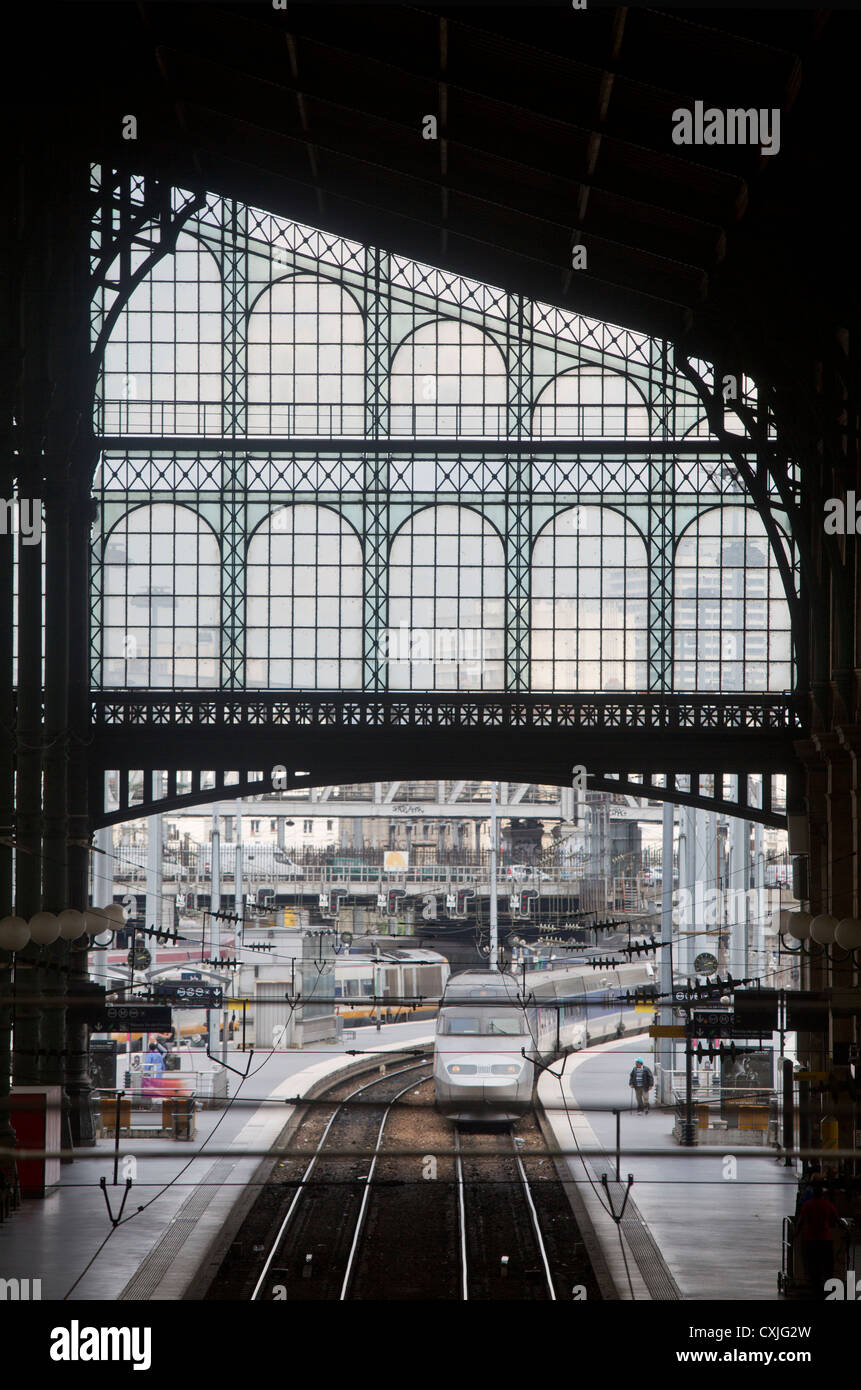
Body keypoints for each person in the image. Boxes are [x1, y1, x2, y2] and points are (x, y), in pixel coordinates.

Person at [795, 1176, 841, 1299]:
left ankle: (816, 1291)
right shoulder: (828, 1204)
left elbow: (801, 1221)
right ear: (823, 1194)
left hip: (810, 1241)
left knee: (813, 1267)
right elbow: (836, 1219)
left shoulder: (807, 1205)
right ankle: (828, 1290)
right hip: (825, 1240)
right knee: (827, 1266)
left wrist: (796, 1234)